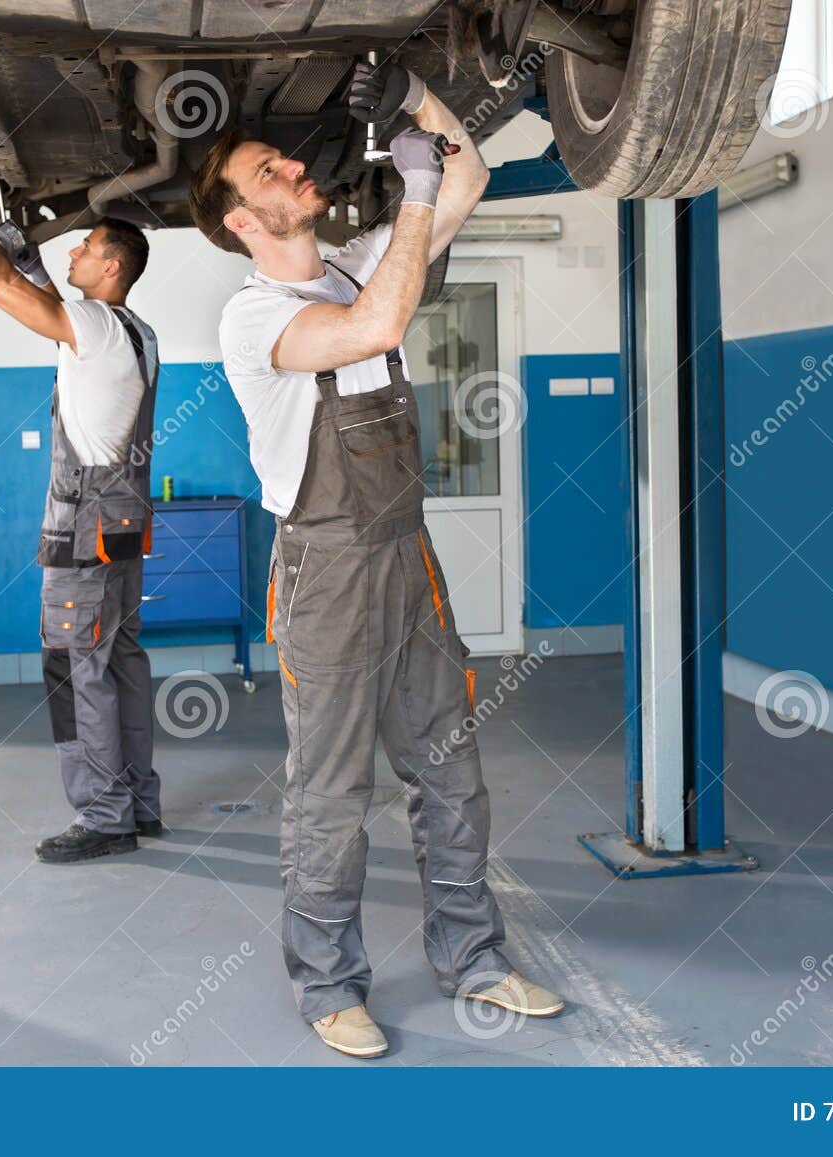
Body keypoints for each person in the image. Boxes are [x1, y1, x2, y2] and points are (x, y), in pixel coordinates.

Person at [188, 59, 563, 1058]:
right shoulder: (253, 317)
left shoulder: (360, 257)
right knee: (331, 792)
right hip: (327, 569)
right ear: (238, 219)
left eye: (284, 159)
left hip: (407, 554)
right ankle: (326, 983)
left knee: (451, 772)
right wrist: (417, 191)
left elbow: (470, 172)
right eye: (265, 172)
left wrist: (412, 100)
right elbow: (375, 328)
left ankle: (473, 956)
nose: (290, 170)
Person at [0, 216, 163, 864]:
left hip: (83, 528)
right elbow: (52, 306)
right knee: (121, 659)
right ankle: (139, 801)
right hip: (122, 520)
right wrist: (37, 266)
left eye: (85, 248)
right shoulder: (136, 333)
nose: (75, 253)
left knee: (75, 664)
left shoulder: (92, 325)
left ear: (112, 267)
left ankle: (105, 814)